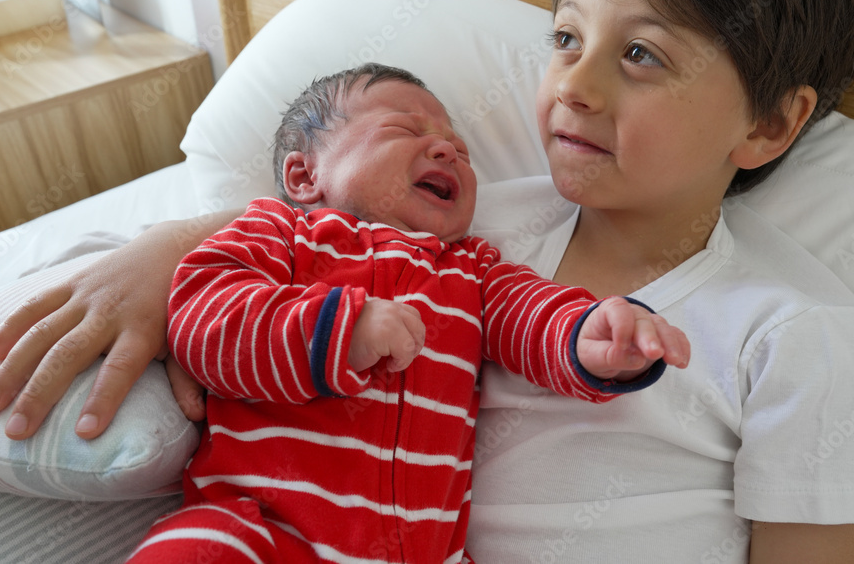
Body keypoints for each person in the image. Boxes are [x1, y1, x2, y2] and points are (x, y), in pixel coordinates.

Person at [0, 0, 854, 561]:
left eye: (641, 53)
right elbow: (320, 230)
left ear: (769, 124)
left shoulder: (801, 335)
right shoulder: (465, 224)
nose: (573, 85)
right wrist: (168, 249)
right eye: (566, 39)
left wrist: (599, 341)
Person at [125, 63, 689, 563]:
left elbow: (532, 315)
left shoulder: (472, 270)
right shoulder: (282, 235)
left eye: (460, 149)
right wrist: (335, 332)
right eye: (404, 130)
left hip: (426, 551)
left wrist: (589, 335)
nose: (447, 150)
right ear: (304, 177)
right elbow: (203, 318)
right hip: (267, 531)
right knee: (198, 547)